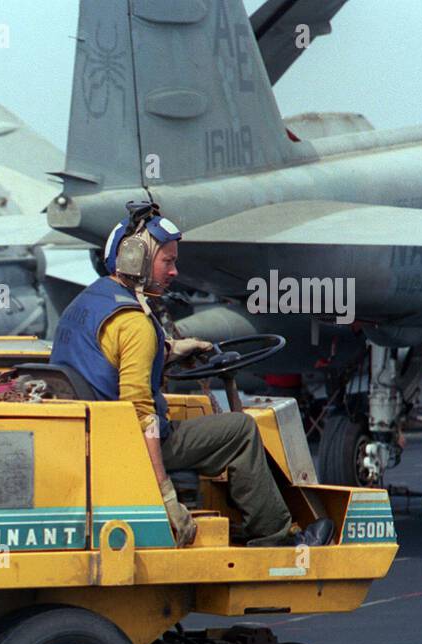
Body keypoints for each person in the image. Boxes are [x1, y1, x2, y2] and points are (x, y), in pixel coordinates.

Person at [50, 203, 332, 549]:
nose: (174, 272)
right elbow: (140, 412)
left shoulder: (87, 304)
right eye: (167, 261)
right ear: (135, 259)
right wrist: (163, 493)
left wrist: (170, 350)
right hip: (127, 444)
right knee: (239, 431)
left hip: (91, 436)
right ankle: (276, 535)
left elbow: (105, 358)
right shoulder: (136, 323)